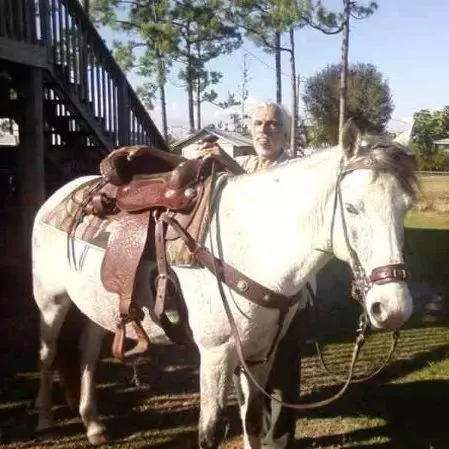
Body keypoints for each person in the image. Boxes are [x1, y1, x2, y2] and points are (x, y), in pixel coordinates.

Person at [197, 101, 313, 449]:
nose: (265, 130)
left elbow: (270, 203)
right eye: (259, 123)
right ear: (250, 128)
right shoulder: (246, 163)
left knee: (281, 375)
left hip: (286, 294)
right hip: (245, 290)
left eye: (273, 124)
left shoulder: (296, 169)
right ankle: (254, 437)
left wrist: (228, 164)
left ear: (285, 132)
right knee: (242, 366)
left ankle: (278, 442)